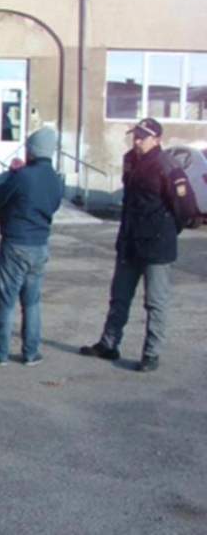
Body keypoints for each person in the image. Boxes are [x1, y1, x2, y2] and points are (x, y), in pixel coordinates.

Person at [79, 118, 197, 372]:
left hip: (156, 247)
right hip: (130, 242)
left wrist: (167, 229)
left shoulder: (168, 166)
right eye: (135, 136)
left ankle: (151, 353)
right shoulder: (130, 160)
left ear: (157, 139)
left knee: (155, 302)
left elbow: (186, 208)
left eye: (142, 137)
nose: (137, 140)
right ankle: (108, 344)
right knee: (119, 297)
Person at [0, 128, 63, 367]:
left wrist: (9, 176)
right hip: (40, 243)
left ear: (32, 150)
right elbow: (54, 206)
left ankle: (0, 351)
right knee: (32, 302)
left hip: (16, 242)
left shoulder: (22, 176)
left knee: (5, 300)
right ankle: (31, 352)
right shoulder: (56, 180)